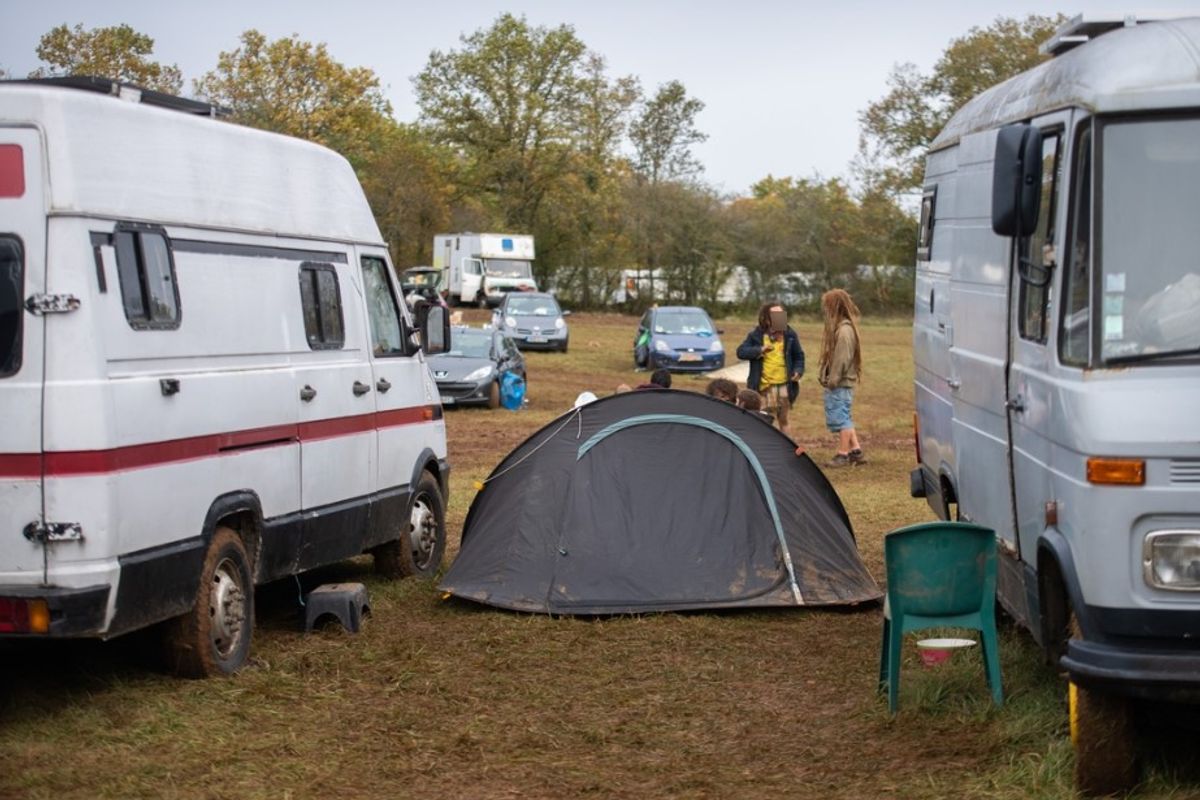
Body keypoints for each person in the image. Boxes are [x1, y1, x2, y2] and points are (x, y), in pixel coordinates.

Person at [736, 302, 805, 433]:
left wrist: (798, 371)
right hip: (762, 387)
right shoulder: (756, 335)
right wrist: (759, 350)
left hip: (783, 387)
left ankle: (787, 450)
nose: (779, 318)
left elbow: (799, 356)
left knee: (783, 420)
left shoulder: (790, 335)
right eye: (775, 315)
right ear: (766, 319)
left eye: (781, 314)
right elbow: (741, 352)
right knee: (761, 421)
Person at [818, 289, 865, 467]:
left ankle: (842, 454)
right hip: (842, 381)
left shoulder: (844, 331)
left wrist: (833, 379)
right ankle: (856, 451)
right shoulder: (844, 328)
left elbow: (842, 358)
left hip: (840, 382)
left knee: (841, 418)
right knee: (844, 414)